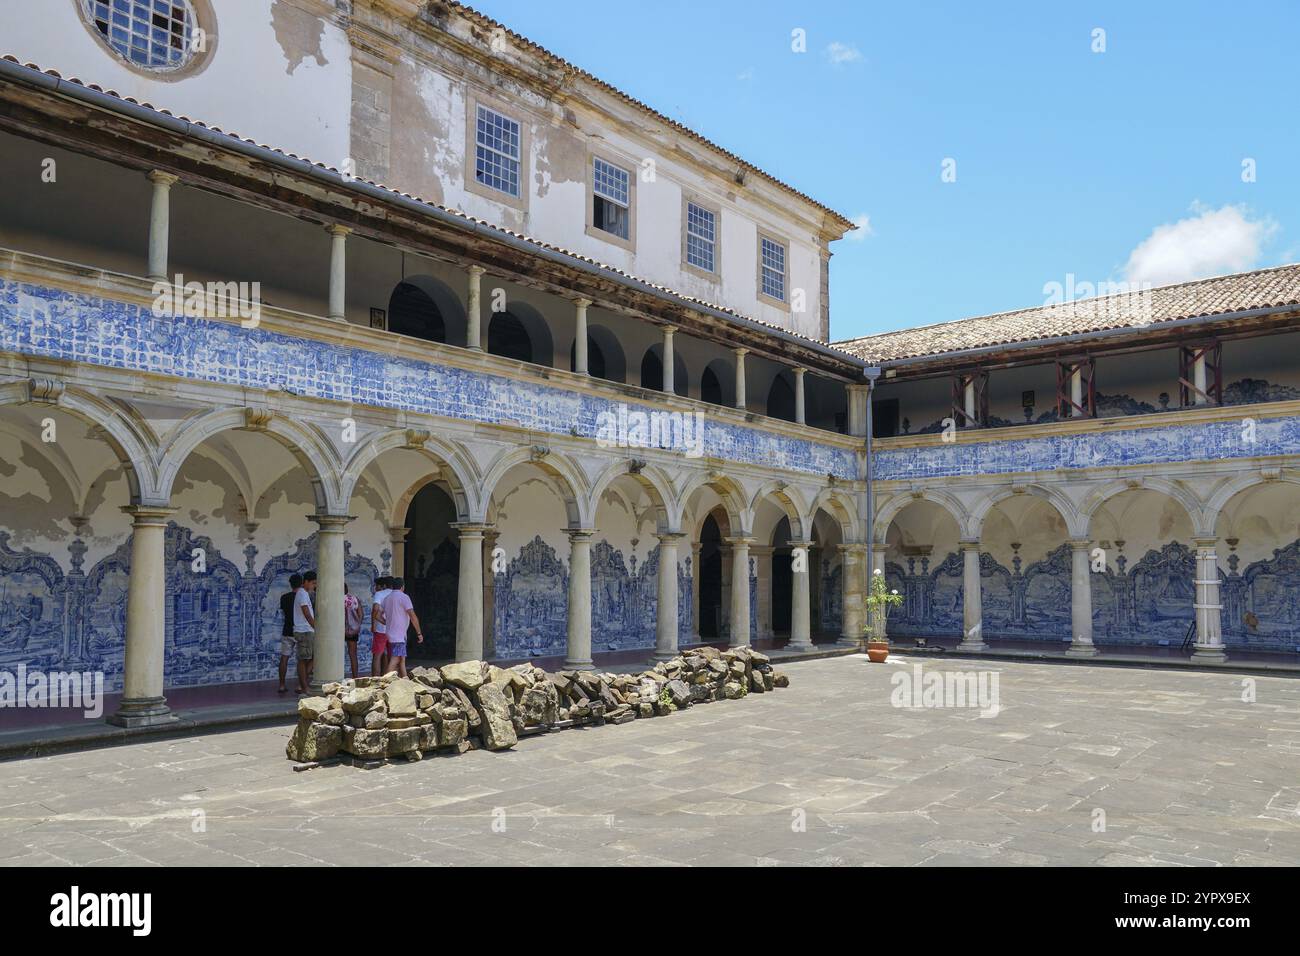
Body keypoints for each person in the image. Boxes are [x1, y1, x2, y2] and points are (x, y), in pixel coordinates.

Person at [381, 577, 423, 678]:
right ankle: (385, 680)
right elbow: (412, 616)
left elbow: (377, 614)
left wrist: (387, 622)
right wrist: (419, 633)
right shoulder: (404, 597)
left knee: (402, 659)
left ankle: (405, 680)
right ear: (402, 587)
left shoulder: (386, 598)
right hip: (399, 635)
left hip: (390, 633)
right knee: (396, 658)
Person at [277, 572, 303, 694]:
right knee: (301, 660)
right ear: (302, 583)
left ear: (290, 584)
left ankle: (282, 685)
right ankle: (299, 685)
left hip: (287, 630)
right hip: (299, 631)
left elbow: (283, 613)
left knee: (284, 658)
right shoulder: (303, 597)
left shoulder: (284, 597)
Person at [292, 570, 317, 694]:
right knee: (303, 659)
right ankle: (304, 686)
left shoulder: (304, 594)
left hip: (308, 630)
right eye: (313, 583)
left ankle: (302, 684)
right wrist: (316, 627)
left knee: (311, 657)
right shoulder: (302, 594)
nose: (314, 586)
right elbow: (306, 613)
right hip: (304, 631)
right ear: (305, 582)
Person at [370, 575, 392, 677]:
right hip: (393, 630)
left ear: (384, 585)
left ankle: (376, 679)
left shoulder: (379, 594)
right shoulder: (398, 595)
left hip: (381, 630)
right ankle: (387, 678)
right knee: (390, 656)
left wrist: (374, 624)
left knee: (377, 655)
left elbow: (375, 609)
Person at [343, 582, 363, 679]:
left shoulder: (335, 599)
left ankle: (336, 676)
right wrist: (357, 625)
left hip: (339, 630)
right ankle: (355, 677)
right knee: (353, 654)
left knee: (336, 653)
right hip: (353, 630)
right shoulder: (354, 599)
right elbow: (361, 614)